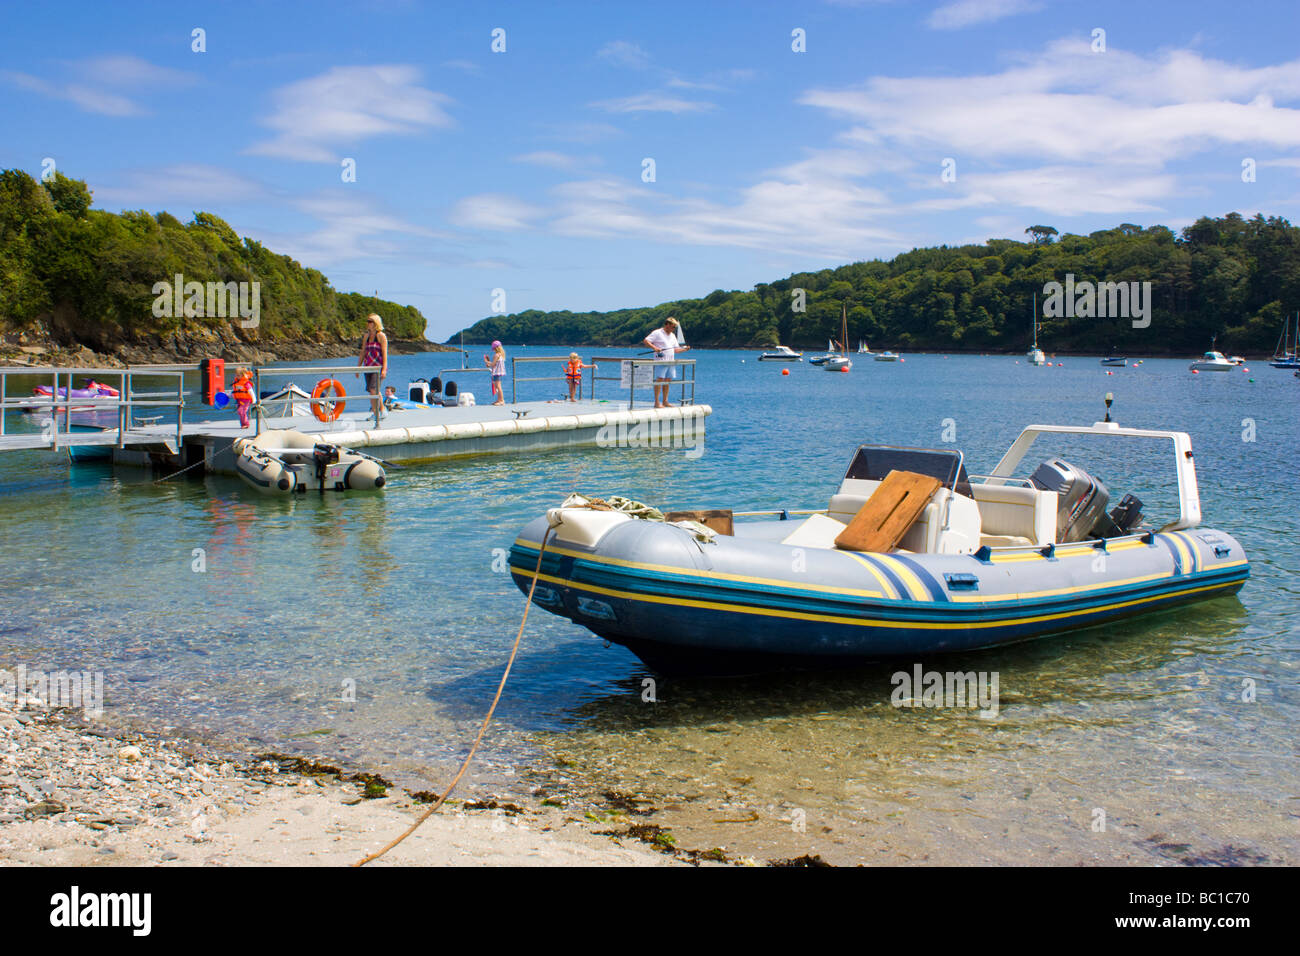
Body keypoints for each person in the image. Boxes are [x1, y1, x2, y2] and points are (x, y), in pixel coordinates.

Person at [642, 317, 689, 409]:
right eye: (672, 327)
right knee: (659, 380)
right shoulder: (657, 333)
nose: (673, 329)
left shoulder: (672, 336)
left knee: (668, 380)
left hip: (670, 361)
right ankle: (656, 402)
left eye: (674, 327)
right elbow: (646, 341)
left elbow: (676, 350)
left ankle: (665, 401)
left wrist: (684, 349)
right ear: (667, 324)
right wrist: (655, 348)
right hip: (660, 361)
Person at [357, 313, 388, 421]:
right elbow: (363, 352)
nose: (368, 323)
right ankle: (375, 413)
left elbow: (384, 353)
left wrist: (384, 369)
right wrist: (358, 367)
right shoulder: (366, 336)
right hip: (368, 366)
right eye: (367, 321)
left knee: (374, 389)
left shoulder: (380, 336)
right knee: (371, 391)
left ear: (375, 323)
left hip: (377, 367)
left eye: (370, 321)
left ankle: (383, 410)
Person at [484, 340, 506, 405]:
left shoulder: (496, 355)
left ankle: (501, 400)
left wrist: (486, 361)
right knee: (497, 387)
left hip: (496, 373)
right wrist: (489, 363)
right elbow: (494, 364)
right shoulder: (501, 355)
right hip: (498, 372)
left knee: (498, 387)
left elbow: (493, 364)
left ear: (495, 348)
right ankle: (499, 399)